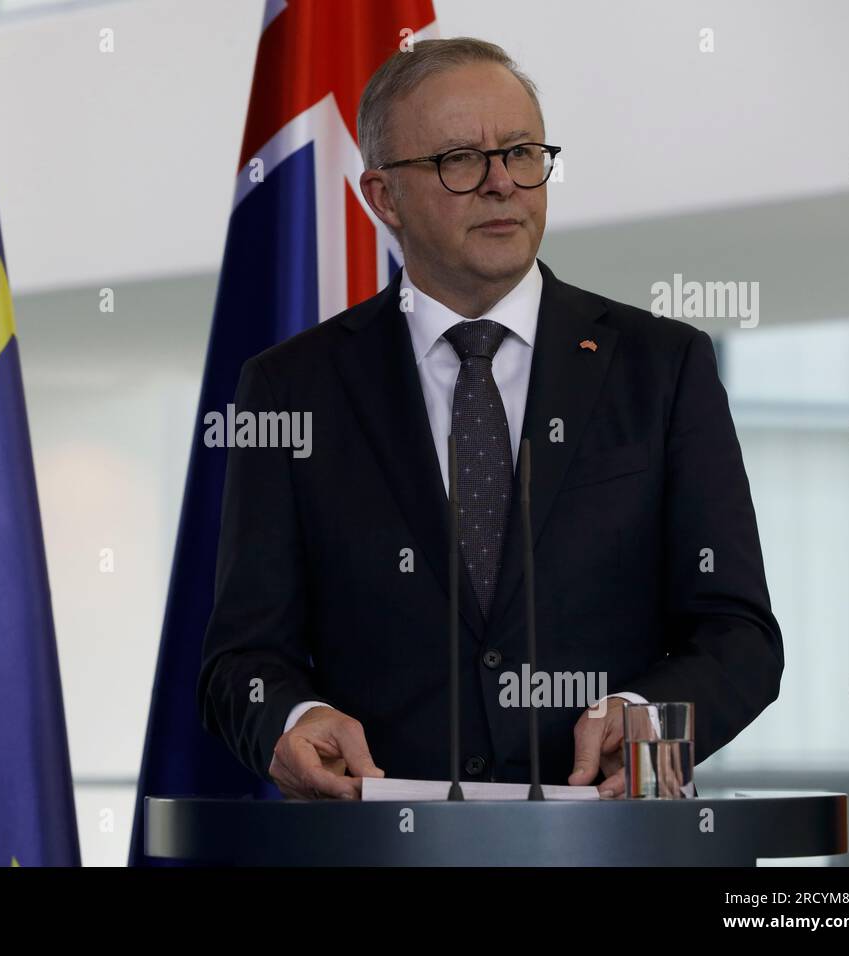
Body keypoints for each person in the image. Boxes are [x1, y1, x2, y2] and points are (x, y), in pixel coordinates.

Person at [198, 37, 782, 800]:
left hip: (606, 839)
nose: (503, 183)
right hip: (384, 842)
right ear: (384, 197)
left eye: (522, 153)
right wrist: (293, 718)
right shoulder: (289, 387)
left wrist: (646, 715)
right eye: (461, 160)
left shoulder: (664, 366)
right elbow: (240, 659)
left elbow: (739, 635)